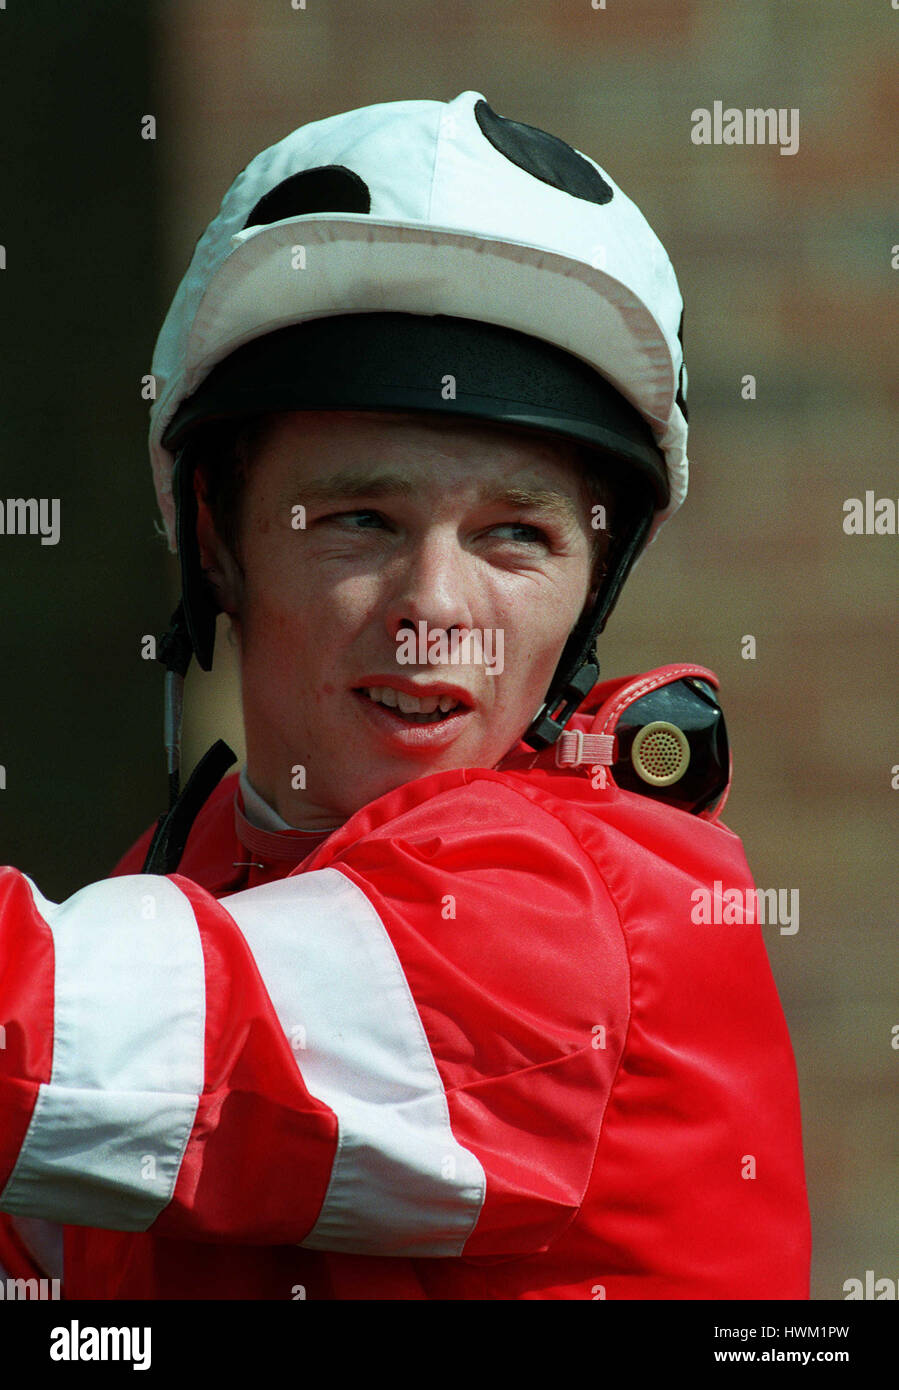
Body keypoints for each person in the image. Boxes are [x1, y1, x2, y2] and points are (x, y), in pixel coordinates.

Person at [0, 90, 811, 1299]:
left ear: (592, 587)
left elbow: (44, 1052)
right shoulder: (172, 896)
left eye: (514, 536)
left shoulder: (564, 910)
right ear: (217, 542)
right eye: (359, 519)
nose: (432, 605)